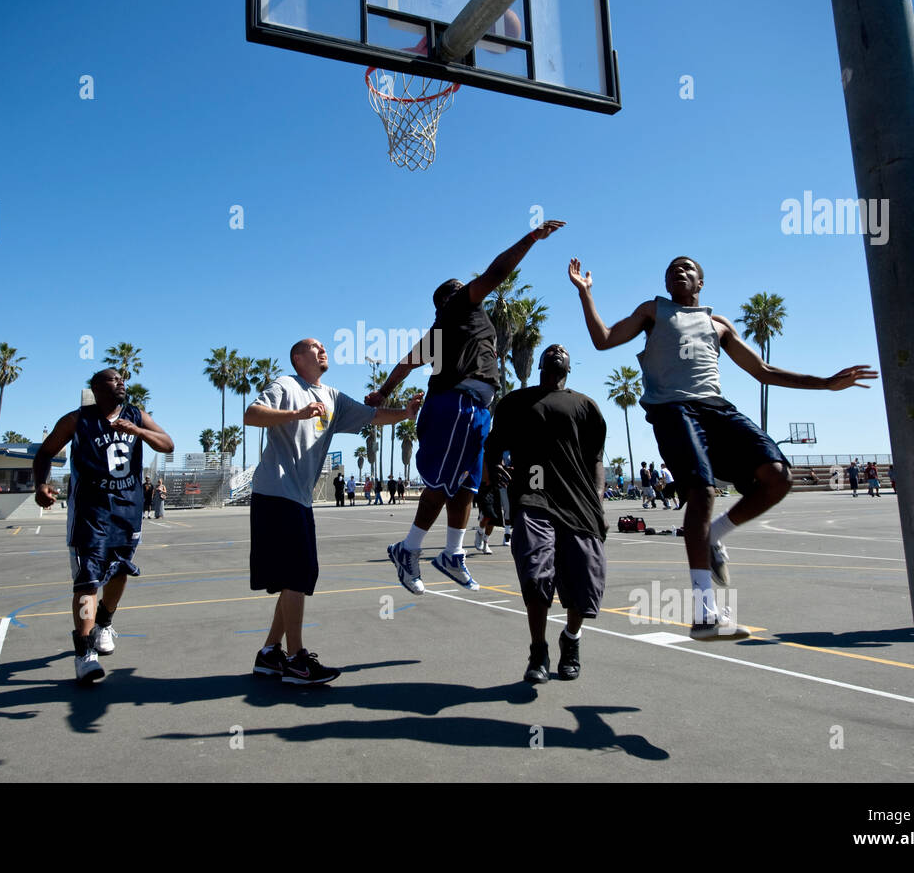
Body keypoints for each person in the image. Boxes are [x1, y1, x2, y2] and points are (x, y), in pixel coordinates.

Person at [569, 255, 876, 639]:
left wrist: (826, 383)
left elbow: (763, 371)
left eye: (685, 268)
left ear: (700, 282)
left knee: (778, 477)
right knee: (701, 490)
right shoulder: (653, 311)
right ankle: (705, 615)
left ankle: (714, 534)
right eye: (670, 270)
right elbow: (603, 340)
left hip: (716, 407)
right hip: (672, 408)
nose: (677, 271)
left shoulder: (719, 324)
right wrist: (586, 294)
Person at [372, 220, 566, 593]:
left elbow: (406, 363)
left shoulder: (442, 333)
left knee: (465, 488)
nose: (472, 291)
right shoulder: (458, 307)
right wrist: (530, 238)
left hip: (473, 408)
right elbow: (496, 272)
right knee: (444, 486)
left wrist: (383, 391)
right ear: (449, 298)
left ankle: (452, 554)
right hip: (456, 405)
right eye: (462, 289)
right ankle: (408, 549)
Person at [246, 338, 421, 685]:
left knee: (293, 578)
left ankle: (269, 653)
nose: (323, 349)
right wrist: (295, 414)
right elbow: (251, 415)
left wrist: (405, 413)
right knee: (298, 575)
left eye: (324, 346)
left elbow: (373, 416)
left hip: (297, 498)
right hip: (276, 492)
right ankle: (296, 659)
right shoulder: (286, 385)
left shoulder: (333, 398)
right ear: (298, 358)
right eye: (314, 346)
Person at [35, 368, 174, 683]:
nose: (121, 383)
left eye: (122, 380)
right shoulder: (77, 420)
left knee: (121, 569)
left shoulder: (136, 415)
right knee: (88, 580)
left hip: (127, 508)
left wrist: (139, 432)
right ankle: (84, 653)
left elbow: (167, 445)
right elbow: (44, 453)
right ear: (96, 388)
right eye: (113, 379)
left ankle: (104, 624)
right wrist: (40, 485)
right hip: (90, 510)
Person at [484, 345, 608, 682]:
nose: (557, 352)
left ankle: (571, 640)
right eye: (550, 352)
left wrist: (597, 498)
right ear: (539, 364)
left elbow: (596, 459)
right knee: (537, 574)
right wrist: (492, 469)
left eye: (563, 352)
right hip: (533, 496)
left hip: (578, 501)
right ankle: (538, 650)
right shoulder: (515, 403)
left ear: (569, 367)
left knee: (584, 578)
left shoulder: (585, 406)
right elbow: (493, 443)